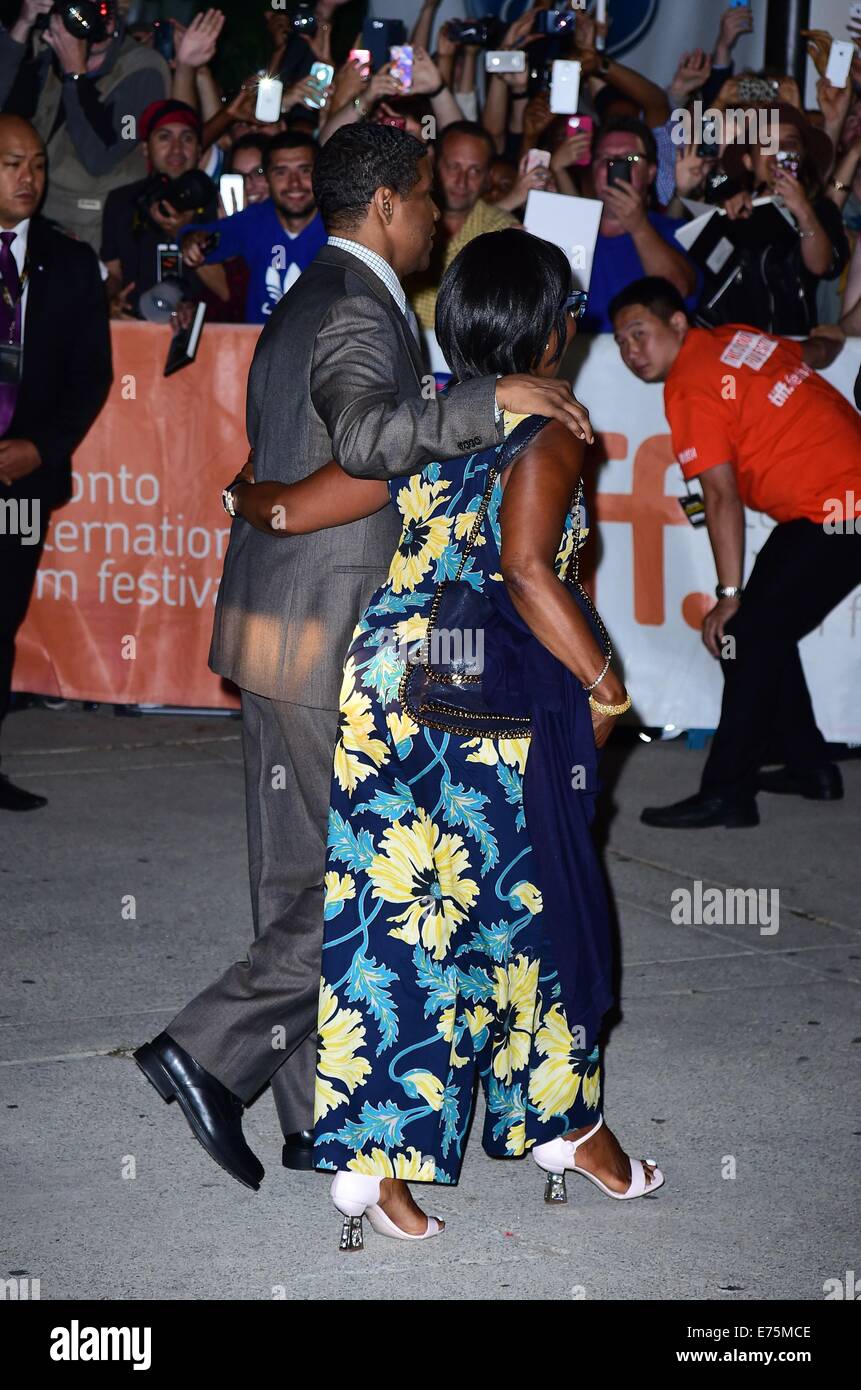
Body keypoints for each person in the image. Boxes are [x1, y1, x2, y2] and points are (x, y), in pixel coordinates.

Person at [132, 123, 594, 1190]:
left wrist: (267, 506)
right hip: (328, 630)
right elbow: (364, 443)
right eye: (428, 197)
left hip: (270, 619)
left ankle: (312, 1120)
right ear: (386, 202)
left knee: (299, 872)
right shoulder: (356, 304)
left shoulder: (311, 294)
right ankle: (206, 1051)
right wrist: (491, 399)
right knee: (361, 890)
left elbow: (287, 460)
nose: (438, 214)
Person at [231, 229, 663, 1245]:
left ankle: (387, 1161)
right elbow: (527, 570)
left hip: (385, 684)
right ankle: (563, 1123)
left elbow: (292, 509)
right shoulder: (545, 432)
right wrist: (607, 689)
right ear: (554, 330)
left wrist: (240, 493)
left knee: (399, 921)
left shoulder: (435, 419)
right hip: (484, 702)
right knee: (535, 913)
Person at [611, 277, 861, 829]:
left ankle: (728, 792)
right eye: (623, 342)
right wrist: (830, 341)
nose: (632, 352)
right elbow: (809, 353)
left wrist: (727, 595)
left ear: (677, 323)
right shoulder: (735, 338)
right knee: (762, 631)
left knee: (742, 634)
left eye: (640, 333)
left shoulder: (690, 386)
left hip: (839, 510)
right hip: (833, 508)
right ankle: (809, 767)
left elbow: (720, 495)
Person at [0, 115, 111, 811]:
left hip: (21, 481)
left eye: (38, 164)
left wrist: (40, 447)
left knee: (1, 616)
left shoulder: (69, 261)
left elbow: (89, 375)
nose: (29, 178)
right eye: (12, 163)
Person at [0, 0, 169, 251]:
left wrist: (75, 76)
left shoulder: (143, 69)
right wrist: (23, 25)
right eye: (80, 6)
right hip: (33, 213)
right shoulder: (49, 45)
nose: (89, 20)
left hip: (92, 227)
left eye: (100, 8)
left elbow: (99, 158)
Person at [698, 104, 848, 335]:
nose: (779, 151)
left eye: (790, 144)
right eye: (768, 143)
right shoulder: (728, 204)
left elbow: (822, 266)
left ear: (801, 157)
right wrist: (725, 216)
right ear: (749, 162)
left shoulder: (820, 211)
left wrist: (803, 212)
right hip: (722, 341)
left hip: (788, 344)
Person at [181, 131, 326, 322]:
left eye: (305, 170)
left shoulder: (343, 226)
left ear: (322, 173)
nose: (294, 183)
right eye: (281, 172)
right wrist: (192, 241)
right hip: (259, 346)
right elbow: (201, 236)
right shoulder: (256, 220)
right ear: (268, 179)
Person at [100, 99, 217, 319]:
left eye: (187, 138)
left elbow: (227, 288)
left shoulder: (216, 202)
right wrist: (112, 298)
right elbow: (112, 271)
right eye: (164, 137)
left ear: (199, 150)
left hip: (199, 330)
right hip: (134, 325)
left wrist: (182, 233)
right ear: (146, 148)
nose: (176, 149)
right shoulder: (121, 201)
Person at [581, 117, 699, 334]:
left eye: (629, 158)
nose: (615, 167)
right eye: (605, 158)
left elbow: (678, 291)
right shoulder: (572, 231)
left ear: (651, 172)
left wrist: (638, 226)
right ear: (593, 169)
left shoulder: (676, 231)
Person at [406, 120, 519, 331]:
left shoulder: (504, 231)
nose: (462, 181)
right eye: (453, 166)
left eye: (475, 171)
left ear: (487, 177)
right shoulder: (405, 218)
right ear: (434, 164)